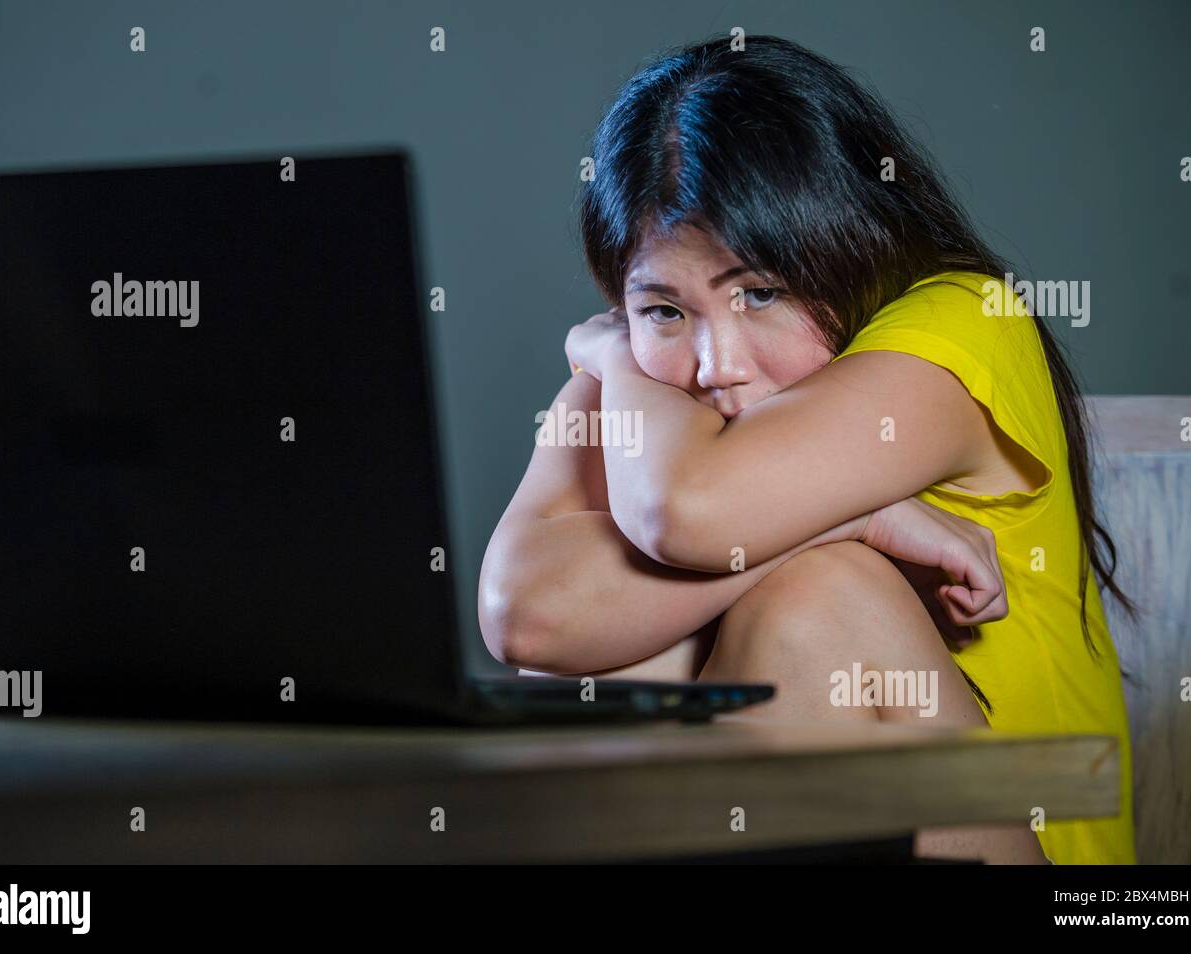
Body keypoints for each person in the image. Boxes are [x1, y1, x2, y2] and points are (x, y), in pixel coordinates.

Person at [478, 35, 1136, 865]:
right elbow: (529, 620)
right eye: (663, 309)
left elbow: (693, 512)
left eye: (760, 294)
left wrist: (611, 353)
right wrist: (859, 518)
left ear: (848, 241)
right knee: (611, 653)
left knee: (819, 593)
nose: (719, 368)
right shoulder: (660, 395)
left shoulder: (968, 318)